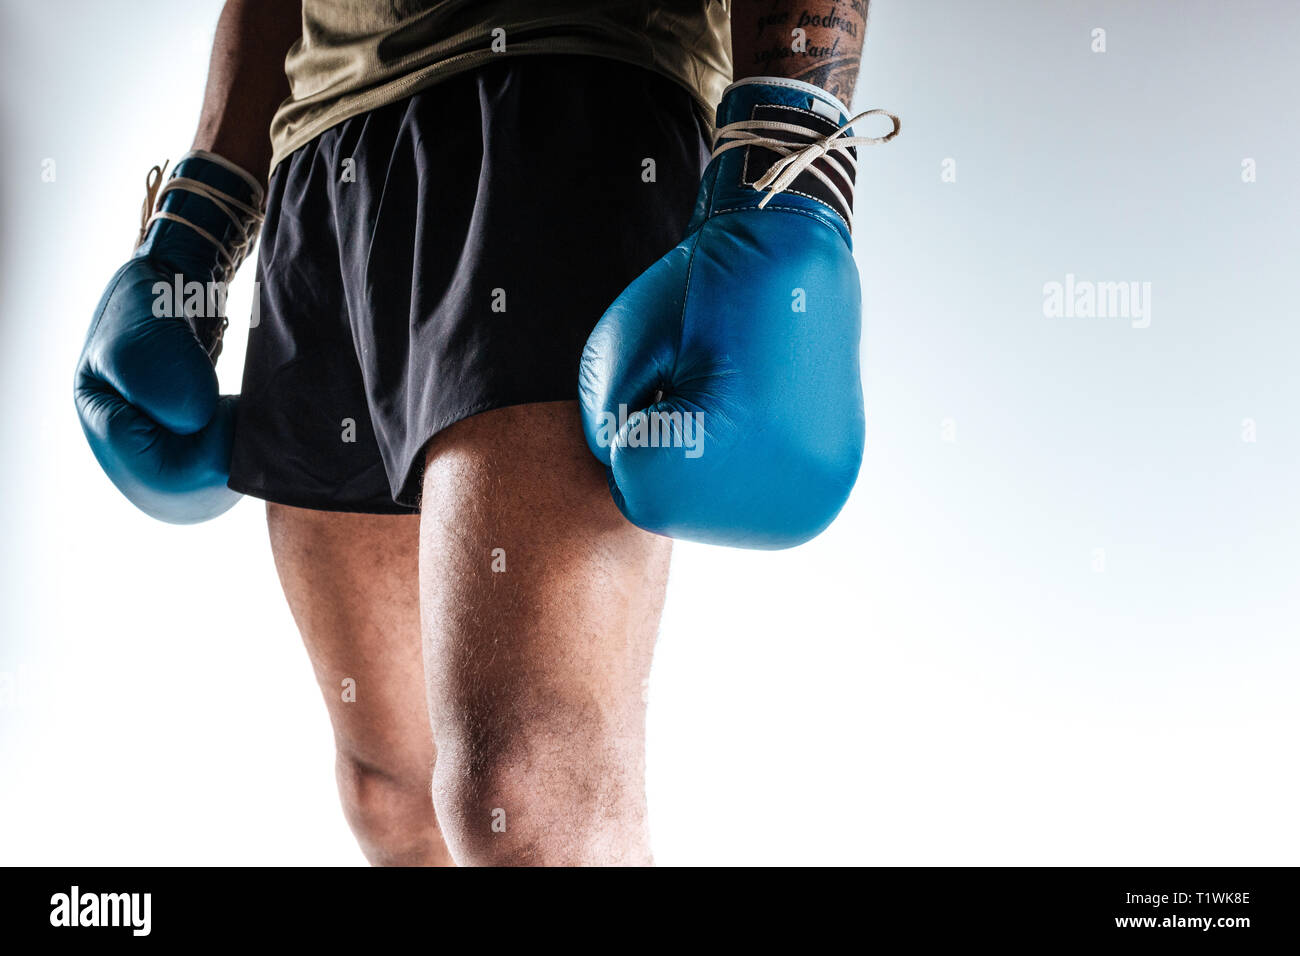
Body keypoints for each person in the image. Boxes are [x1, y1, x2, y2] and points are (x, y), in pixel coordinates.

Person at [74, 0, 895, 865]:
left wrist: (791, 163)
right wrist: (199, 217)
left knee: (528, 793)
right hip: (322, 152)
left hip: (557, 90)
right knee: (392, 795)